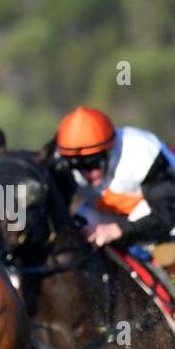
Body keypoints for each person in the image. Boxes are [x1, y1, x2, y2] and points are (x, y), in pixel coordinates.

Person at [55, 106, 175, 249]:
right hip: (106, 210)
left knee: (163, 253)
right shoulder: (61, 165)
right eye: (78, 166)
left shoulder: (141, 153)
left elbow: (167, 215)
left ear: (109, 150)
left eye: (92, 164)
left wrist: (118, 230)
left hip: (163, 210)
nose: (87, 174)